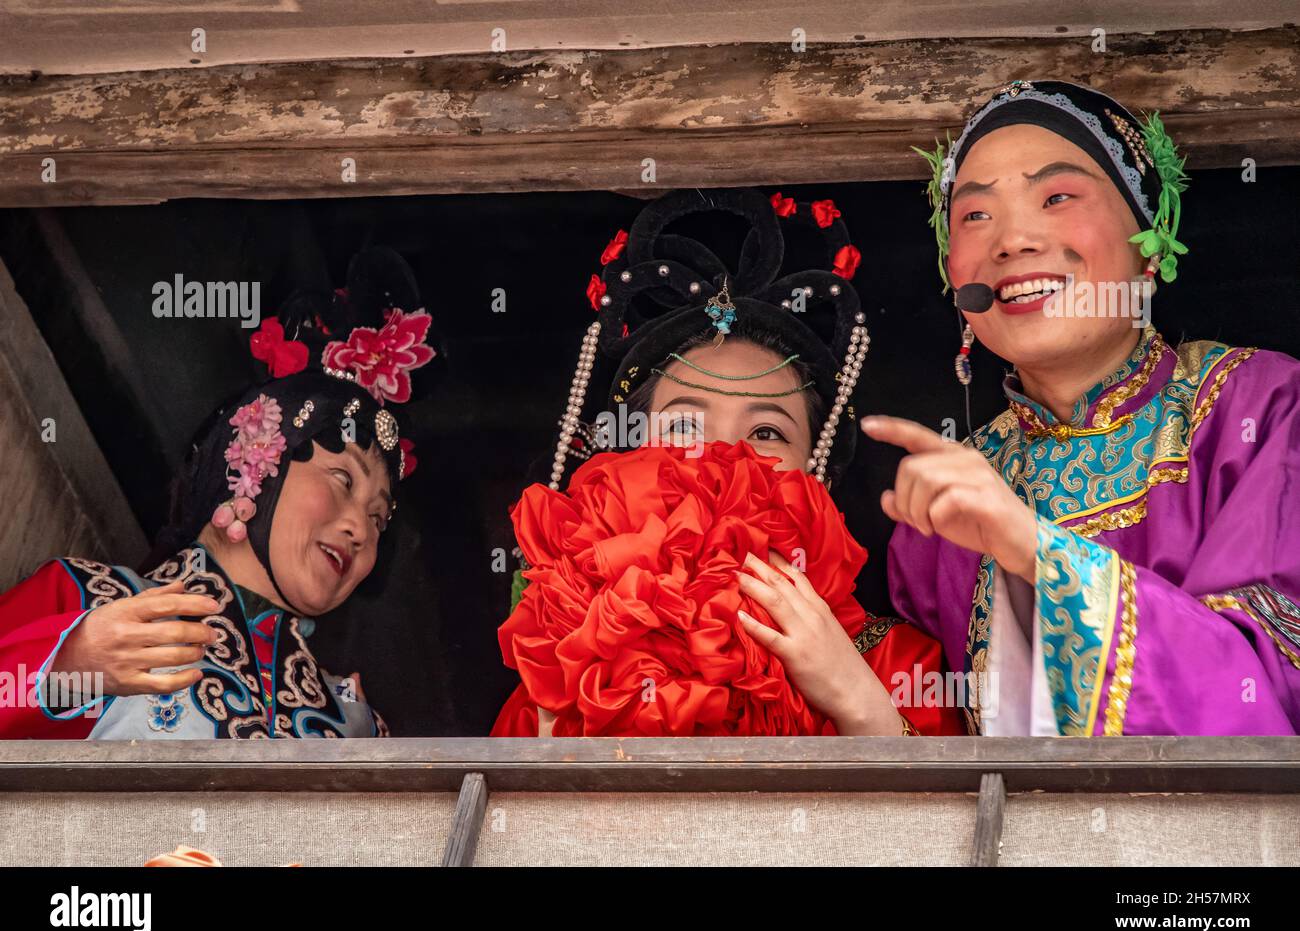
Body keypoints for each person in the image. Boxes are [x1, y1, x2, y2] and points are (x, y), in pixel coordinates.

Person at [870, 80, 1300, 735]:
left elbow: (1265, 694)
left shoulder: (1260, 411)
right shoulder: (939, 508)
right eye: (975, 216)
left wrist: (1035, 550)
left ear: (1148, 246)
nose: (1012, 240)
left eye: (1058, 196)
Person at [493, 188, 964, 736]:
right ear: (628, 455)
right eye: (685, 427)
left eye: (766, 432)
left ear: (818, 476)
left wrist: (857, 699)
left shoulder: (894, 663)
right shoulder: (560, 658)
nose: (724, 457)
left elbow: (943, 819)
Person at [0, 247, 435, 739]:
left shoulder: (354, 722)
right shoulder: (87, 602)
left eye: (379, 518)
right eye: (343, 480)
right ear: (258, 456)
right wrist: (68, 667)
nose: (361, 529)